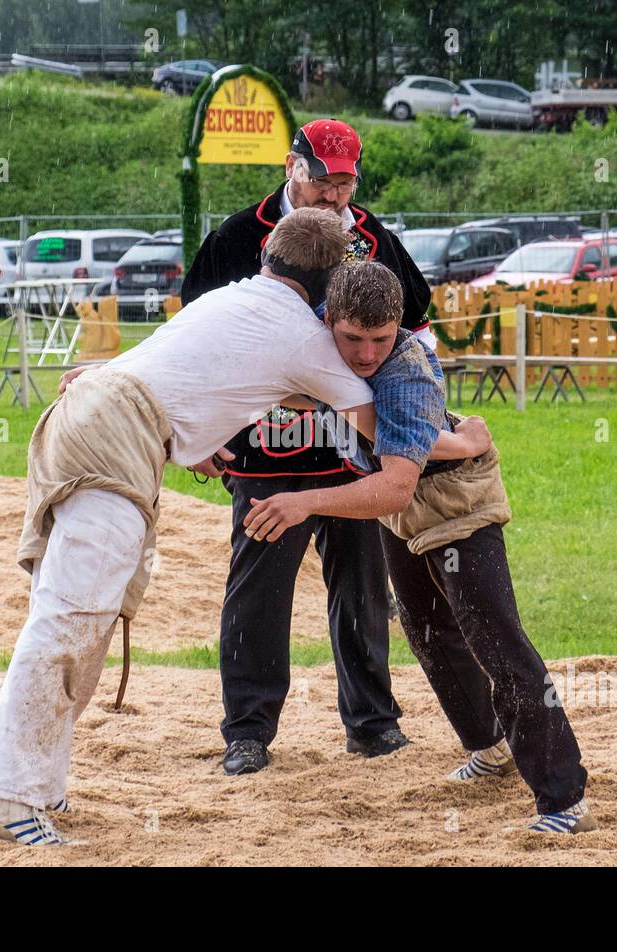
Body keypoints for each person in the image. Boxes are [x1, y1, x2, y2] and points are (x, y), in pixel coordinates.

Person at [0, 209, 491, 846]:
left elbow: (173, 376)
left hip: (91, 414)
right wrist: (460, 441)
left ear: (269, 257)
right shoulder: (304, 336)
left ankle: (38, 788)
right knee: (71, 617)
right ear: (329, 286)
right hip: (118, 433)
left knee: (80, 616)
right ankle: (10, 798)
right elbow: (387, 437)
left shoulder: (232, 295)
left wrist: (190, 441)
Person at [243, 260, 595, 833]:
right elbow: (226, 356)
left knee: (496, 638)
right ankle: (490, 745)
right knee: (426, 628)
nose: (364, 354)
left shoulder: (407, 371)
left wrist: (305, 503)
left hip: (454, 499)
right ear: (327, 317)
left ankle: (562, 798)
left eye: (379, 340)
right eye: (352, 339)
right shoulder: (305, 331)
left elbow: (394, 485)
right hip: (402, 495)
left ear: (399, 328)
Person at [182, 118, 439, 775]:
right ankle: (247, 732)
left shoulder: (375, 237)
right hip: (267, 450)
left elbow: (417, 332)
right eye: (322, 180)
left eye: (344, 182)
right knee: (257, 594)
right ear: (293, 168)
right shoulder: (239, 237)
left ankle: (373, 727)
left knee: (361, 590)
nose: (332, 194)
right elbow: (196, 338)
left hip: (353, 453)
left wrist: (421, 420)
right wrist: (198, 433)